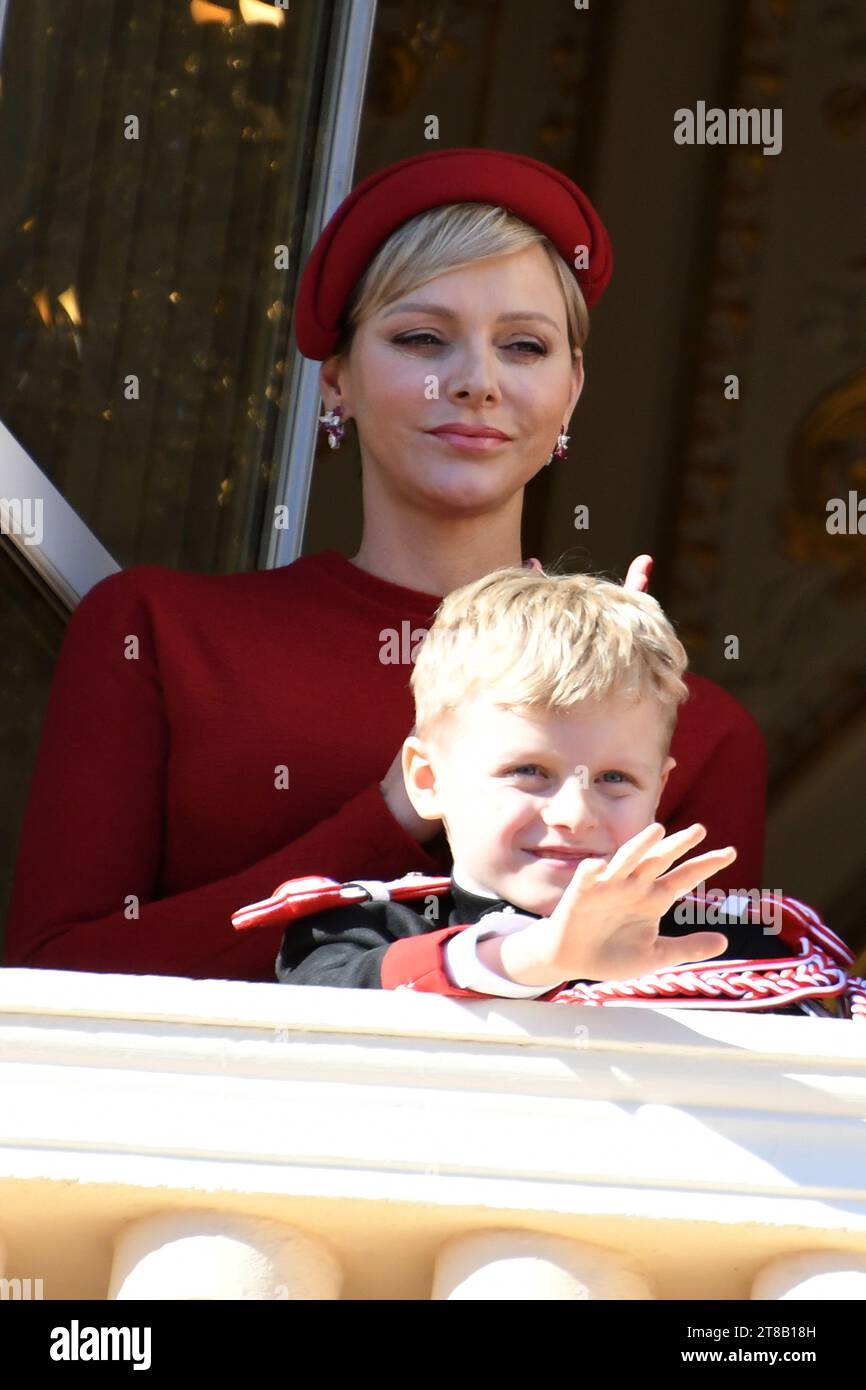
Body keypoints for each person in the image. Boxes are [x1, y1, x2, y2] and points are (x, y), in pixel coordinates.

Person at [5, 148, 767, 983]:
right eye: (422, 338)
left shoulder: (691, 724)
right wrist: (391, 815)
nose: (476, 382)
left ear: (572, 389)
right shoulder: (159, 633)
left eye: (523, 346)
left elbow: (704, 1024)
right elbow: (54, 979)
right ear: (336, 380)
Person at [275, 565, 810, 1009]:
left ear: (659, 790)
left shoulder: (729, 953)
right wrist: (533, 959)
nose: (575, 814)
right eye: (530, 772)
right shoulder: (355, 934)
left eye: (614, 778)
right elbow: (326, 1005)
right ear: (428, 779)